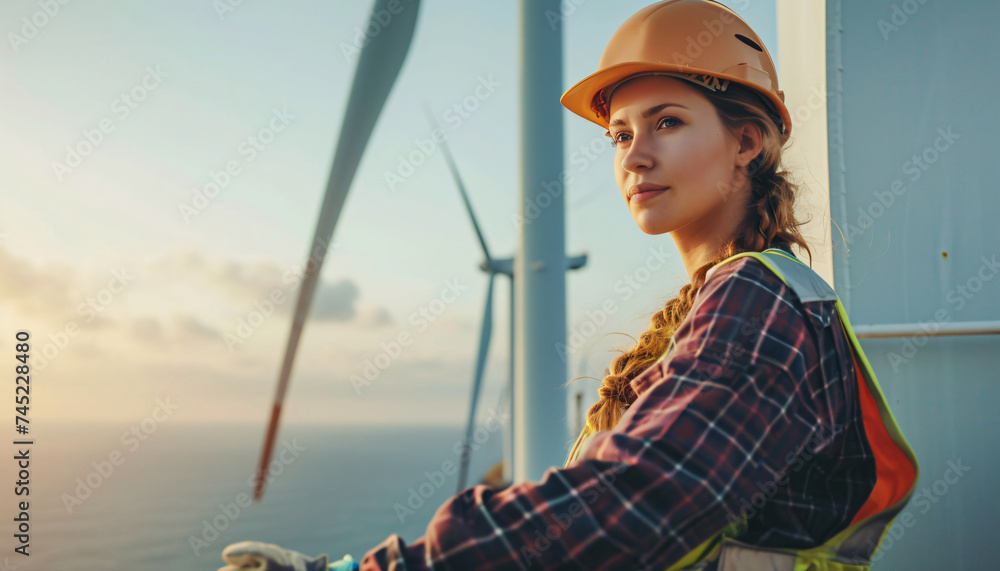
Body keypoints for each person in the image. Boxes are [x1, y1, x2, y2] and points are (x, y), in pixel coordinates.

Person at [218, 1, 919, 569]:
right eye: (618, 135)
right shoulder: (719, 304)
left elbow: (637, 505)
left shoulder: (759, 299)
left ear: (747, 142)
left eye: (667, 123)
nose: (635, 156)